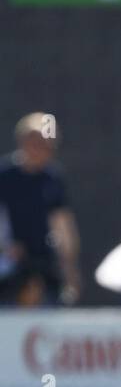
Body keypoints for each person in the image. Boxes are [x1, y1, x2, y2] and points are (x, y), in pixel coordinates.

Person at [0, 113, 80, 307]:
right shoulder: (5, 176)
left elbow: (62, 225)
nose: (40, 148)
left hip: (44, 265)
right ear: (22, 141)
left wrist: (69, 269)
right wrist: (5, 247)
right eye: (35, 141)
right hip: (9, 266)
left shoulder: (53, 178)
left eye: (46, 143)